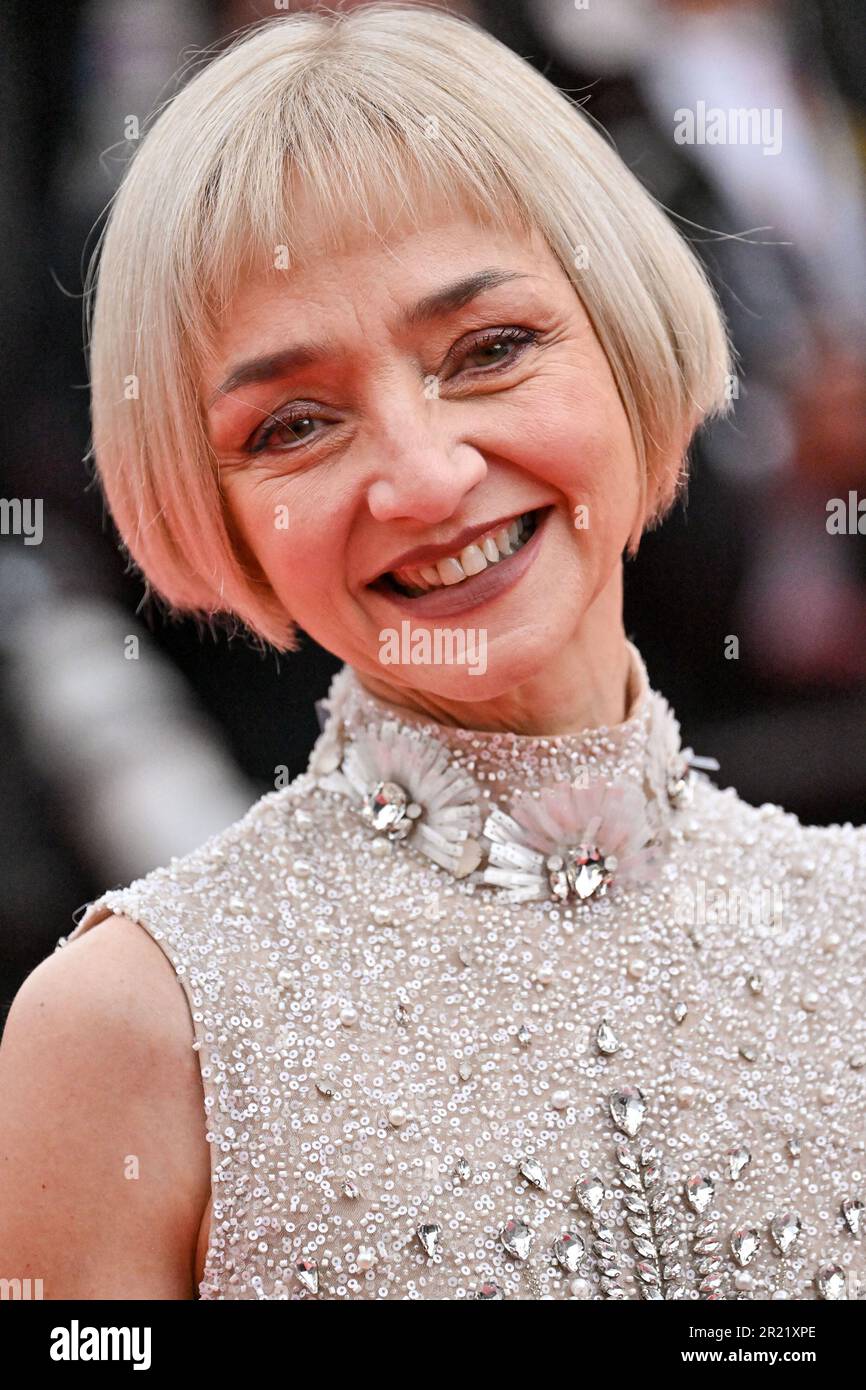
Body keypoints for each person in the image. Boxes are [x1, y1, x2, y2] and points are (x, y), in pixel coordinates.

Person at [1, 2, 863, 1302]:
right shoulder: (127, 1029)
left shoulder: (846, 931)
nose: (422, 475)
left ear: (624, 338)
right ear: (204, 499)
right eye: (293, 423)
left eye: (489, 350)